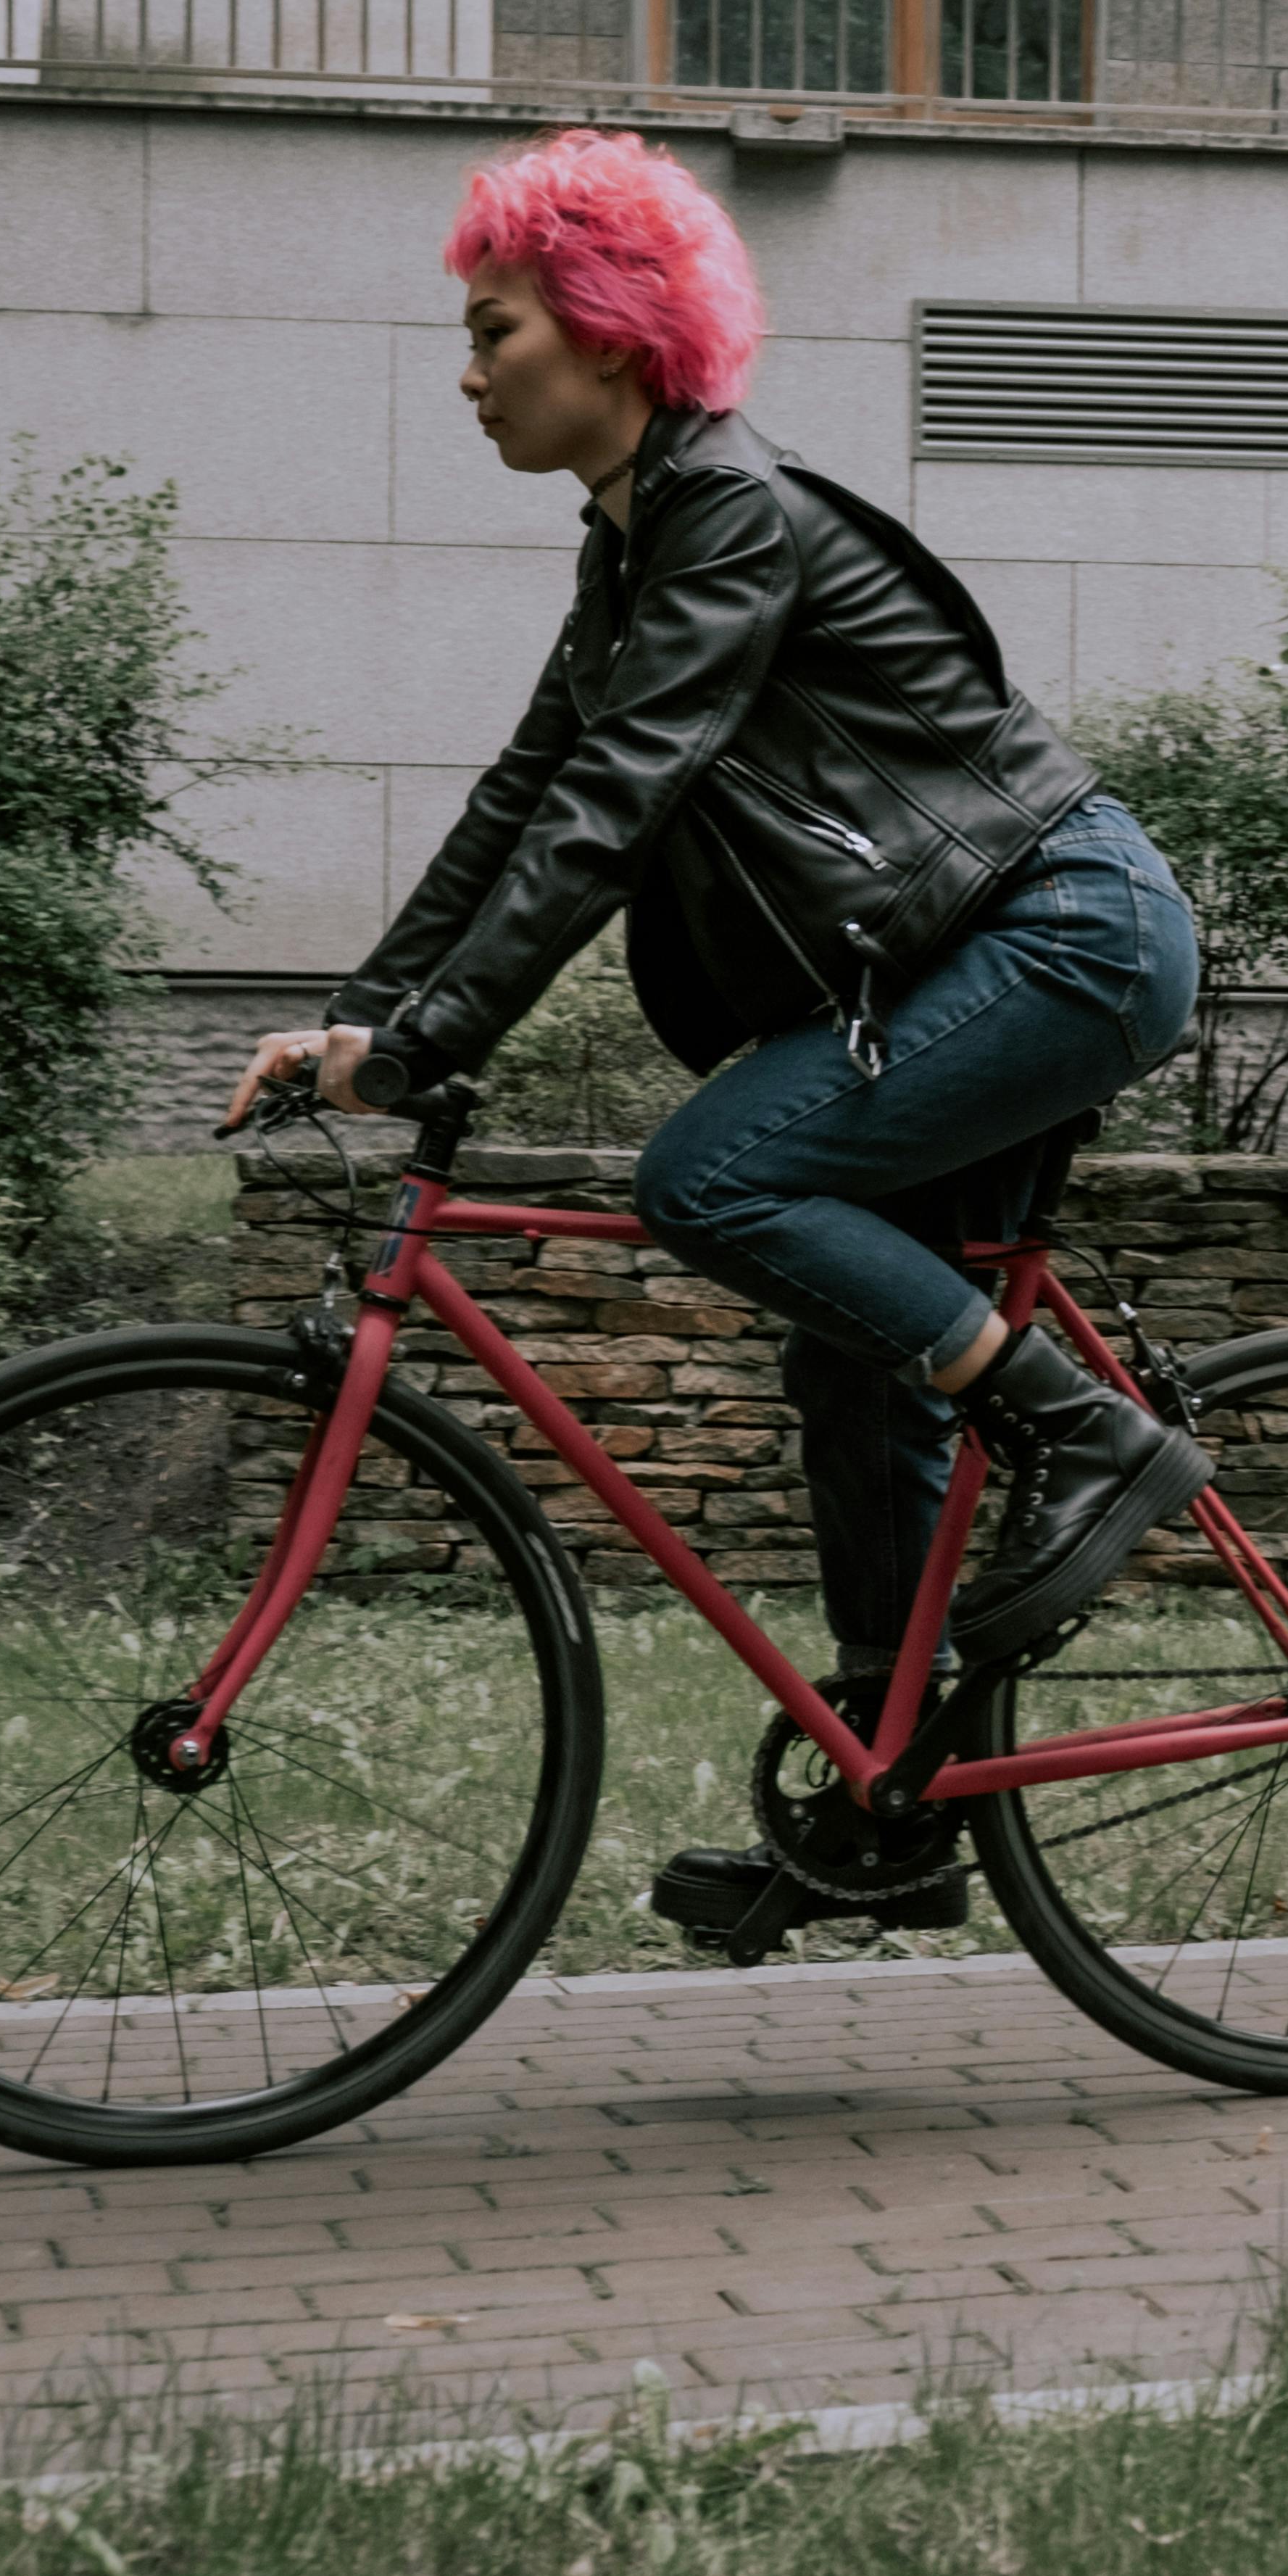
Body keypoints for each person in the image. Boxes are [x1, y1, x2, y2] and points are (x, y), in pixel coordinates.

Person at [220, 128, 1208, 1950]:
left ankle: (1088, 1433)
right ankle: (892, 1806)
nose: (467, 371)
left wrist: (436, 1042)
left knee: (713, 1172)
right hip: (944, 965)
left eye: (495, 327)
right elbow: (529, 793)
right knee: (857, 1358)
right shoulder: (631, 549)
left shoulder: (730, 510)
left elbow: (620, 794)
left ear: (606, 332)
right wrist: (366, 1013)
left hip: (1066, 932)